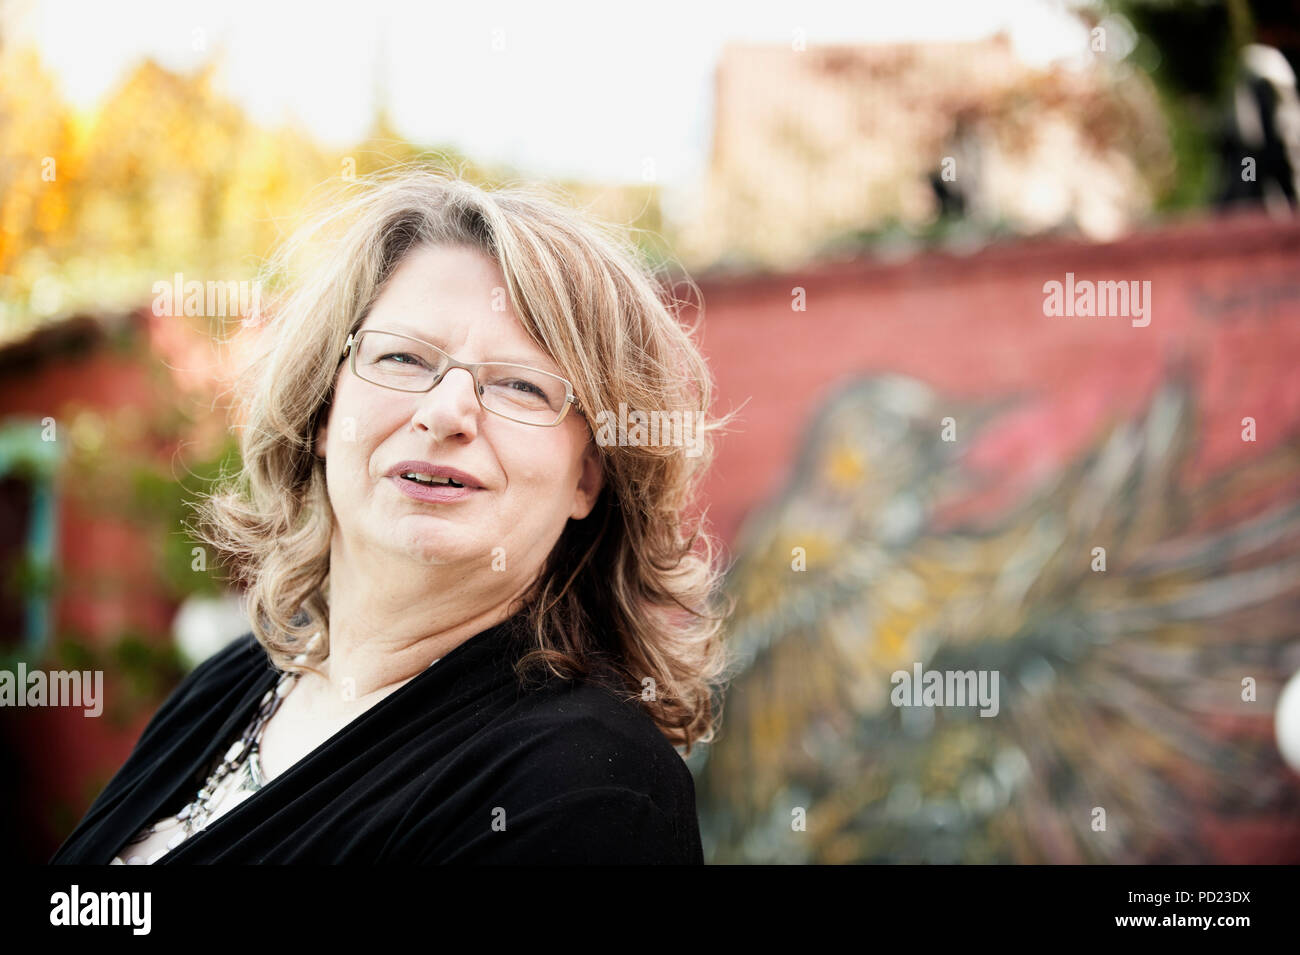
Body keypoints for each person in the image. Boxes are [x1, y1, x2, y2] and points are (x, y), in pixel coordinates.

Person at [49, 167, 733, 864]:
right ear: (323, 413)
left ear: (587, 476)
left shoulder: (586, 790)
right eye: (403, 357)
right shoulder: (234, 680)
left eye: (521, 385)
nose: (445, 412)